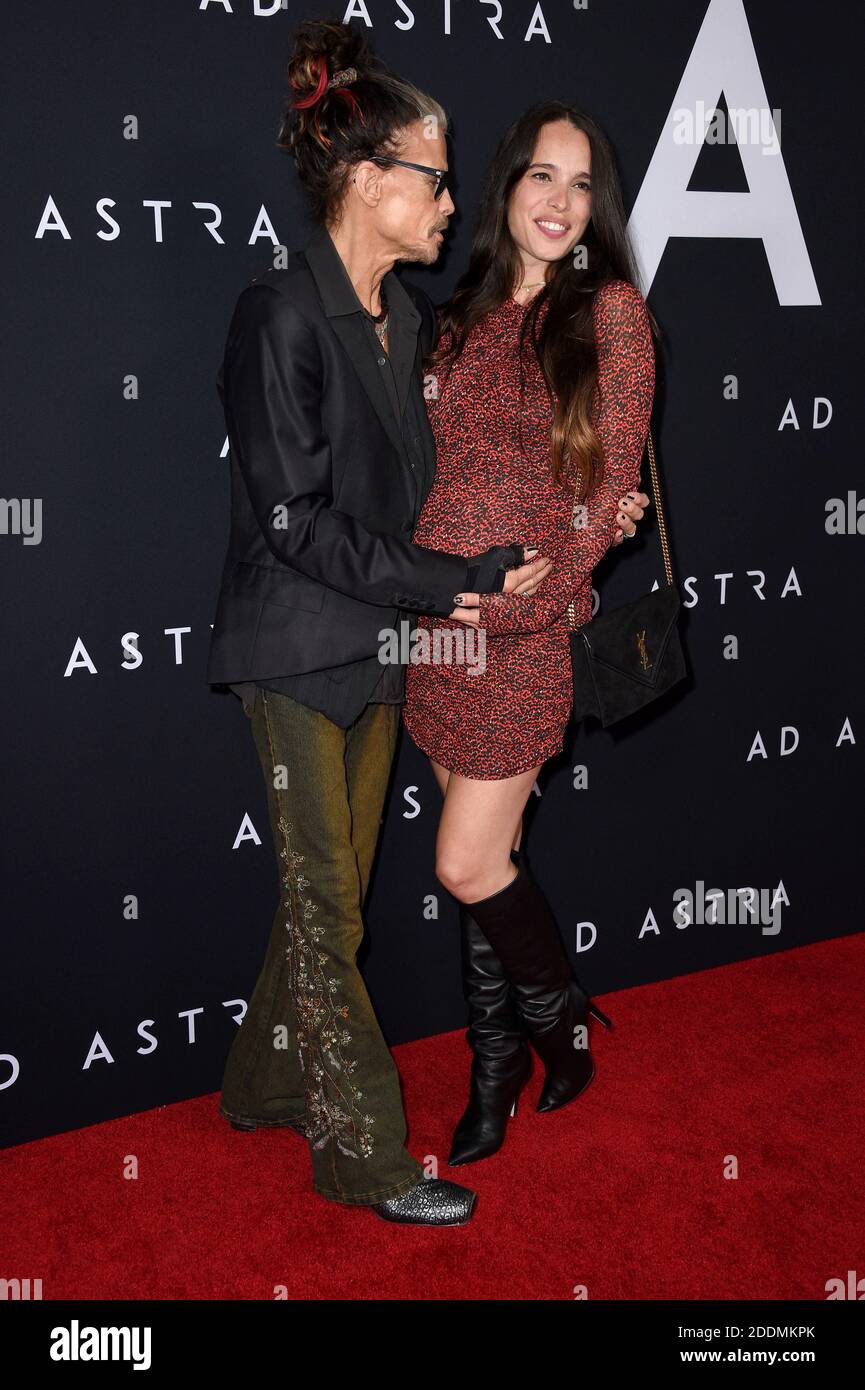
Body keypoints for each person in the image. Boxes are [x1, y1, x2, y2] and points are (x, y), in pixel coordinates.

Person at [206, 20, 564, 1227]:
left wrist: (491, 562)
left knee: (336, 883)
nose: (451, 200)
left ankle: (261, 1081)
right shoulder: (279, 314)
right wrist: (442, 579)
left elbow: (419, 497)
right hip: (295, 647)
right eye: (434, 175)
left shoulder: (402, 323)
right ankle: (363, 1157)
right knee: (325, 898)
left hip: (379, 647)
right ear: (367, 182)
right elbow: (297, 519)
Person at [401, 102, 657, 1164]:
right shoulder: (455, 312)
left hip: (522, 634)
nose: (558, 202)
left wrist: (527, 602)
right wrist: (431, 589)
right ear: (505, 187)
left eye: (581, 184)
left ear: (597, 206)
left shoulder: (612, 314)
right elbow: (436, 463)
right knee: (490, 856)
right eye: (540, 177)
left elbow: (608, 491)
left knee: (462, 863)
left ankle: (559, 1030)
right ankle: (496, 1065)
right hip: (436, 631)